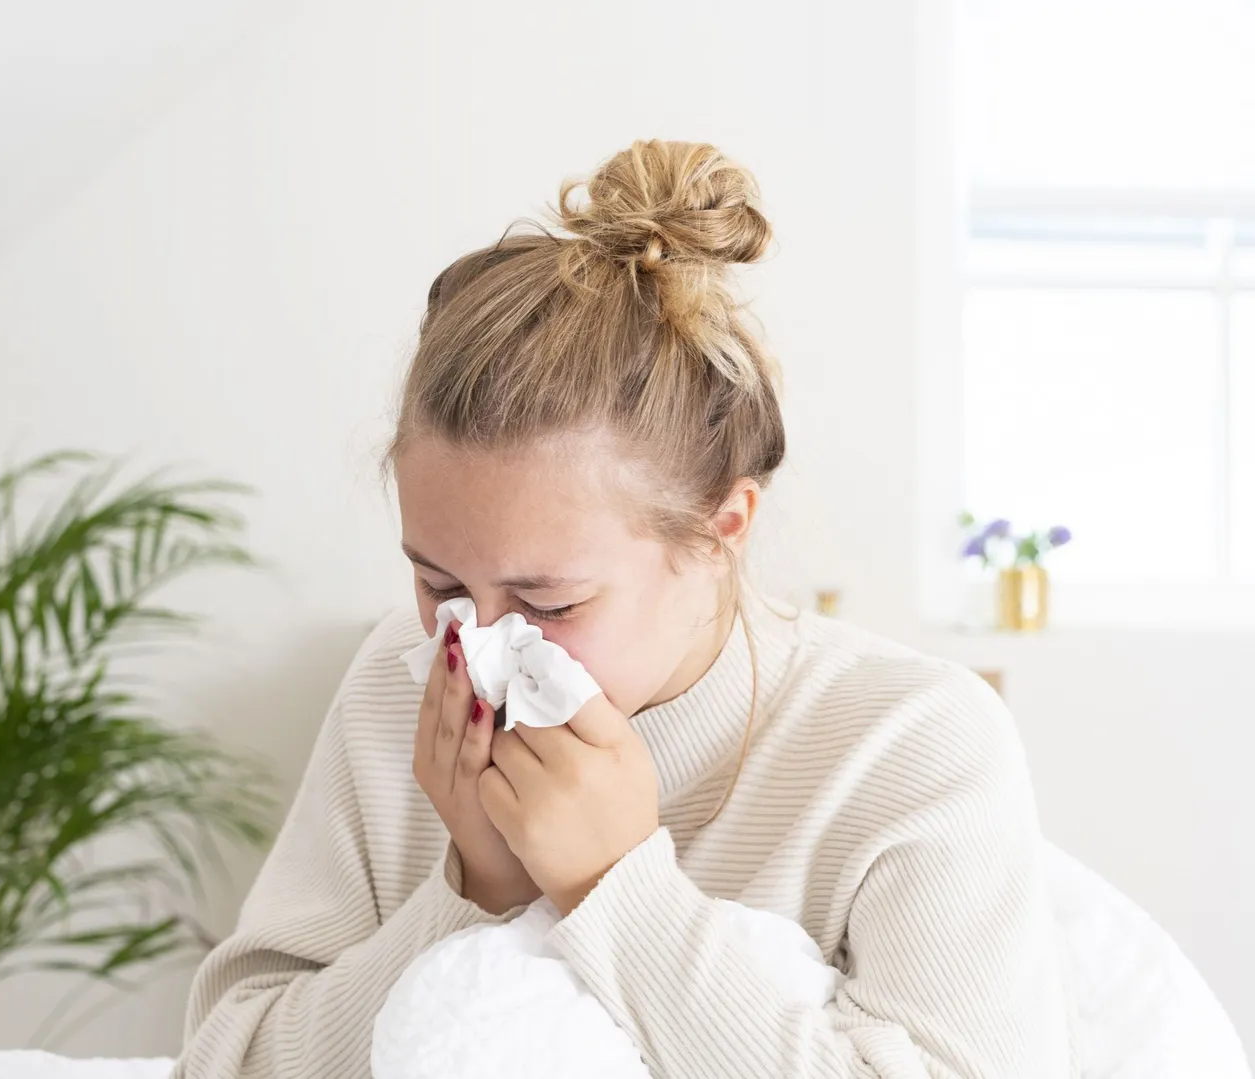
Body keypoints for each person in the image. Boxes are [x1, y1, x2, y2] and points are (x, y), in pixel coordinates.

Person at [175, 139, 1075, 1078]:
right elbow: (224, 1061)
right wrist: (479, 891)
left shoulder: (911, 742)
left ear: (719, 529)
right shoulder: (393, 688)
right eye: (439, 585)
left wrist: (614, 888)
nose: (475, 644)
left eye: (548, 601)